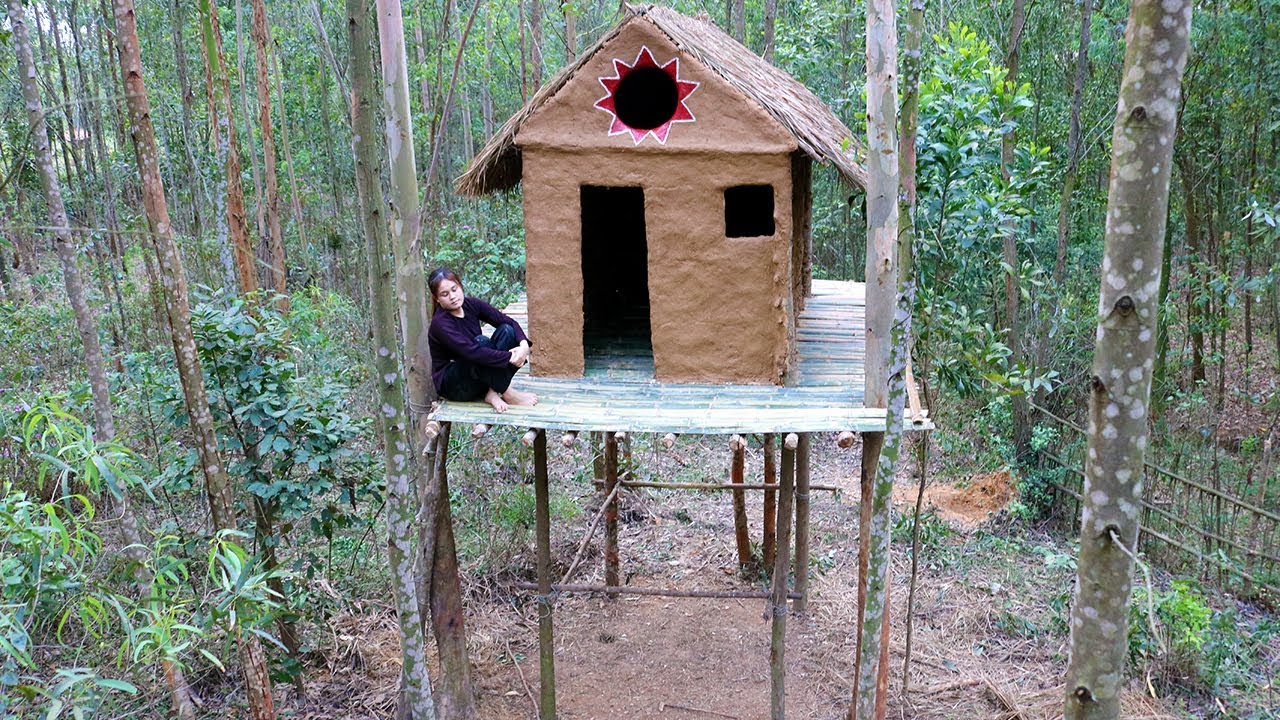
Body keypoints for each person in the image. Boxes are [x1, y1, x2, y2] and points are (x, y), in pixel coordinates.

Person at [427, 267, 539, 413]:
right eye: (445, 294)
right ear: (437, 298)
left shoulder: (471, 304)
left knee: (507, 331)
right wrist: (511, 357)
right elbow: (472, 352)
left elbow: (508, 321)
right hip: (454, 384)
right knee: (481, 342)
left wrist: (523, 346)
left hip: (478, 373)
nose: (452, 296)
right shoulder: (440, 323)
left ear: (460, 286)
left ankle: (492, 392)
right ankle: (508, 393)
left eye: (454, 289)